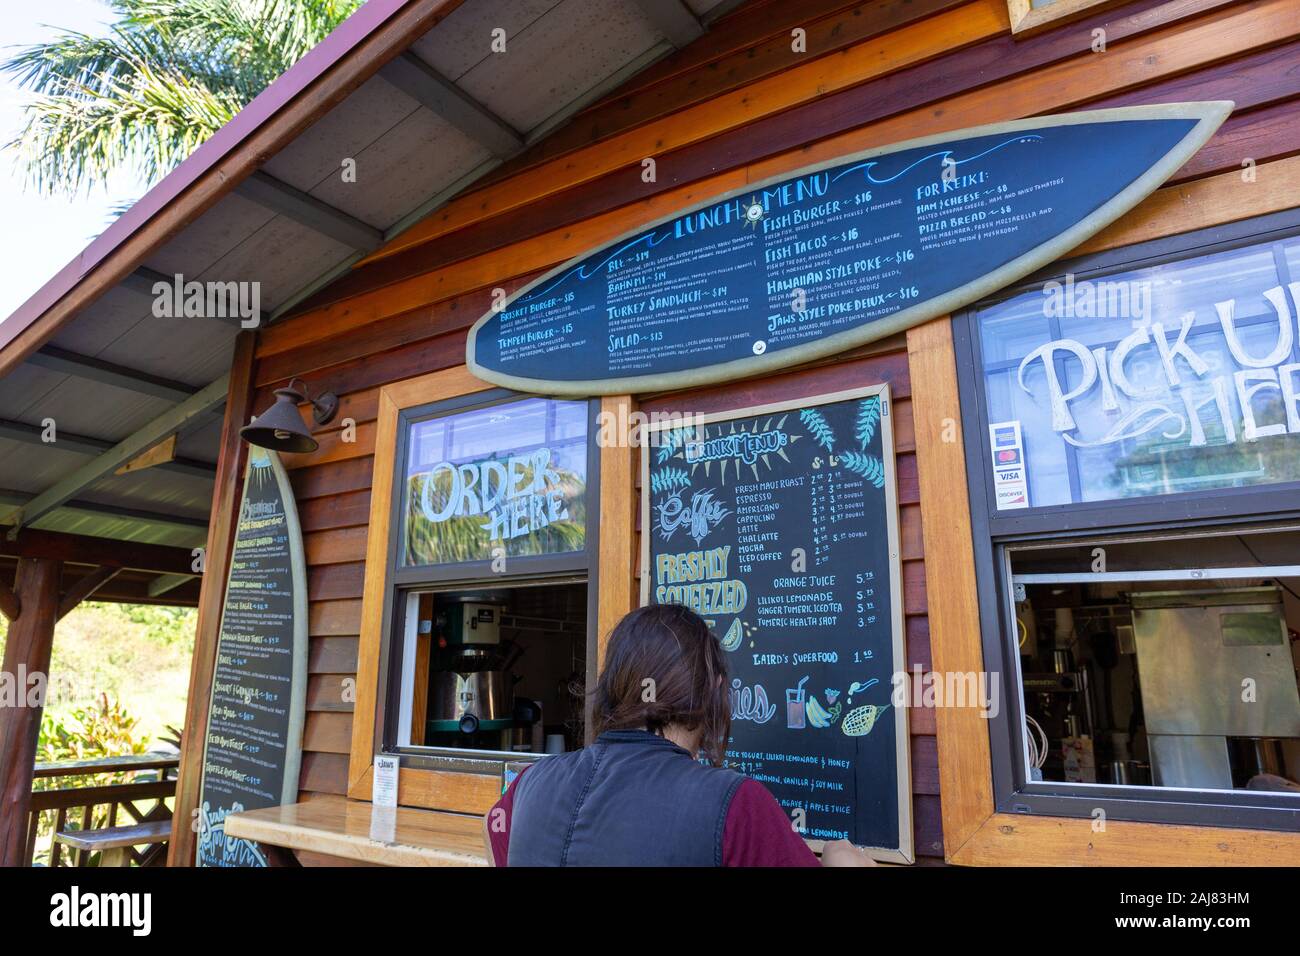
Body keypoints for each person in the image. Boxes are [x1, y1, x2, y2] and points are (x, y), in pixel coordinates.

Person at [482, 603, 874, 867]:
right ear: (714, 689)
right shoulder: (736, 805)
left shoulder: (530, 784)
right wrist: (841, 859)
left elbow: (491, 824)